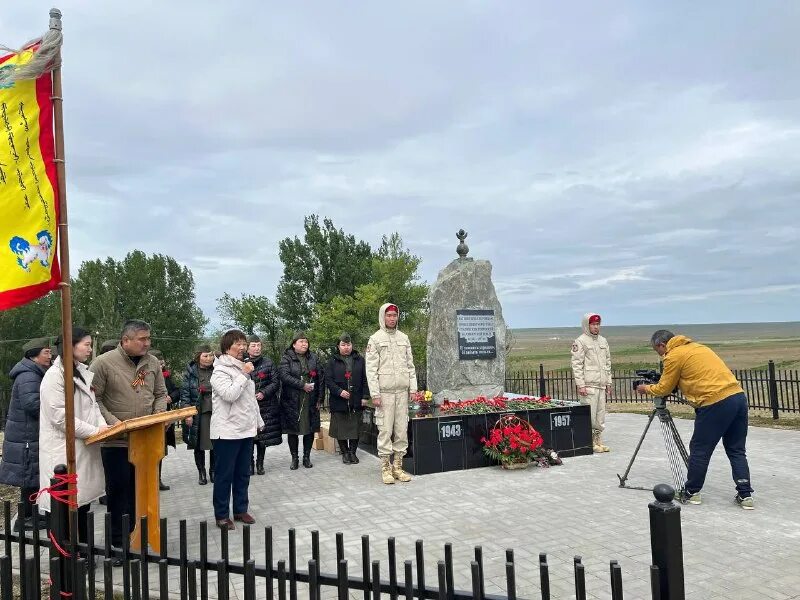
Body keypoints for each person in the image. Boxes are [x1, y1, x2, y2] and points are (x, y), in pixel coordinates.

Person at [637, 330, 755, 509]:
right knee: (736, 449)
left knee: (700, 449)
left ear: (662, 345)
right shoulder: (698, 347)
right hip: (738, 398)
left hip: (714, 402)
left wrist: (646, 388)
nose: (660, 355)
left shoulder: (674, 355)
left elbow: (664, 388)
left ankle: (692, 492)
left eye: (657, 350)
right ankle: (745, 495)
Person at [89, 320, 168, 549]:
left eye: (149, 338)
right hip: (117, 442)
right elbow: (94, 399)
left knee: (141, 493)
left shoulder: (152, 362)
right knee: (119, 494)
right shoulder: (103, 363)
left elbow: (160, 393)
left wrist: (158, 417)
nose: (147, 343)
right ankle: (118, 543)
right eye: (142, 339)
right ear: (125, 340)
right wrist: (116, 424)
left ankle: (139, 537)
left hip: (146, 440)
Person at [37, 328, 109, 542]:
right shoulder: (54, 377)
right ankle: (66, 553)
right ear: (71, 346)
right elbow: (60, 418)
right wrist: (94, 431)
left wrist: (103, 426)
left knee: (82, 504)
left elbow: (92, 406)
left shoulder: (81, 371)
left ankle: (84, 550)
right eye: (86, 344)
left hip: (82, 448)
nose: (90, 349)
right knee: (64, 506)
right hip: (62, 450)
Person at [210, 329, 264, 530]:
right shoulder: (219, 371)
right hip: (227, 432)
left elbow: (250, 401)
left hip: (245, 430)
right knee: (224, 475)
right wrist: (244, 375)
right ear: (227, 348)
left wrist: (258, 422)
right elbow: (229, 395)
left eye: (244, 344)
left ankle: (241, 509)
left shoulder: (244, 368)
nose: (242, 348)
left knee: (243, 473)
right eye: (238, 344)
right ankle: (222, 515)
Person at [0, 337, 51, 531]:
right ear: (34, 356)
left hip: (27, 434)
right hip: (26, 437)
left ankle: (30, 515)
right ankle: (24, 519)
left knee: (31, 477)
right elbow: (32, 405)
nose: (50, 356)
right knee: (28, 477)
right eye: (46, 352)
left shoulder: (32, 373)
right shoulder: (28, 376)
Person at [365, 304, 417, 484]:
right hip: (384, 394)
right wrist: (375, 394)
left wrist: (413, 389)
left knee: (401, 431)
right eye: (389, 315)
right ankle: (386, 468)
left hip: (402, 392)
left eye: (395, 315)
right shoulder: (375, 339)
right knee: (385, 430)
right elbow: (371, 370)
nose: (392, 318)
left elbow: (410, 366)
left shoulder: (404, 338)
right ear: (383, 317)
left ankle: (398, 467)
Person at [278, 331, 322, 470]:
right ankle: (294, 458)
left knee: (309, 429)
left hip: (310, 398)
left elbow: (320, 378)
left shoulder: (313, 357)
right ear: (294, 344)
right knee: (293, 430)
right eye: (301, 342)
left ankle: (306, 457)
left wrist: (320, 398)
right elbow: (284, 375)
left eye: (306, 342)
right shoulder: (287, 358)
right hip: (292, 399)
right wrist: (302, 385)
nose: (304, 344)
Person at [570, 313, 612, 453]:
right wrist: (581, 384)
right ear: (587, 325)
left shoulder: (603, 341)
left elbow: (607, 363)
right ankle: (588, 441)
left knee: (600, 415)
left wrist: (608, 382)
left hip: (601, 384)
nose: (596, 327)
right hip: (588, 385)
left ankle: (598, 440)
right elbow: (577, 364)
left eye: (598, 324)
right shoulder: (580, 341)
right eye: (593, 324)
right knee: (590, 415)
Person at [325, 333, 368, 464]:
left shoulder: (360, 360)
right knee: (341, 429)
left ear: (352, 345)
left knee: (355, 427)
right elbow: (328, 380)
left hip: (356, 399)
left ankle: (352, 452)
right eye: (343, 345)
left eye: (348, 344)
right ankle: (345, 453)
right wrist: (339, 391)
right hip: (339, 401)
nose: (346, 347)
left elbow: (365, 379)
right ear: (338, 346)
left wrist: (365, 396)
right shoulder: (332, 361)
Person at [244, 335, 280, 475]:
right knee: (249, 437)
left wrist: (264, 393)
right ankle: (249, 464)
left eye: (259, 345)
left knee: (262, 437)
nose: (257, 348)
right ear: (247, 348)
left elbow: (275, 382)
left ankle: (260, 464)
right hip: (247, 406)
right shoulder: (242, 363)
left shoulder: (268, 362)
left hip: (265, 405)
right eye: (253, 345)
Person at [181, 344, 216, 485]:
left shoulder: (217, 369)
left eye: (211, 355)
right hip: (198, 412)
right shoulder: (190, 372)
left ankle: (213, 471)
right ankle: (201, 472)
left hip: (216, 411)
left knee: (216, 443)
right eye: (205, 356)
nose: (209, 358)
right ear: (198, 357)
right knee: (198, 444)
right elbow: (185, 395)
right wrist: (187, 414)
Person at [150, 349, 180, 491]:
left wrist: (171, 397)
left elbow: (176, 390)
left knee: (160, 450)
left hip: (164, 419)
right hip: (150, 418)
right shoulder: (144, 375)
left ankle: (158, 479)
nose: (161, 366)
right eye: (159, 363)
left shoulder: (166, 376)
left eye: (162, 363)